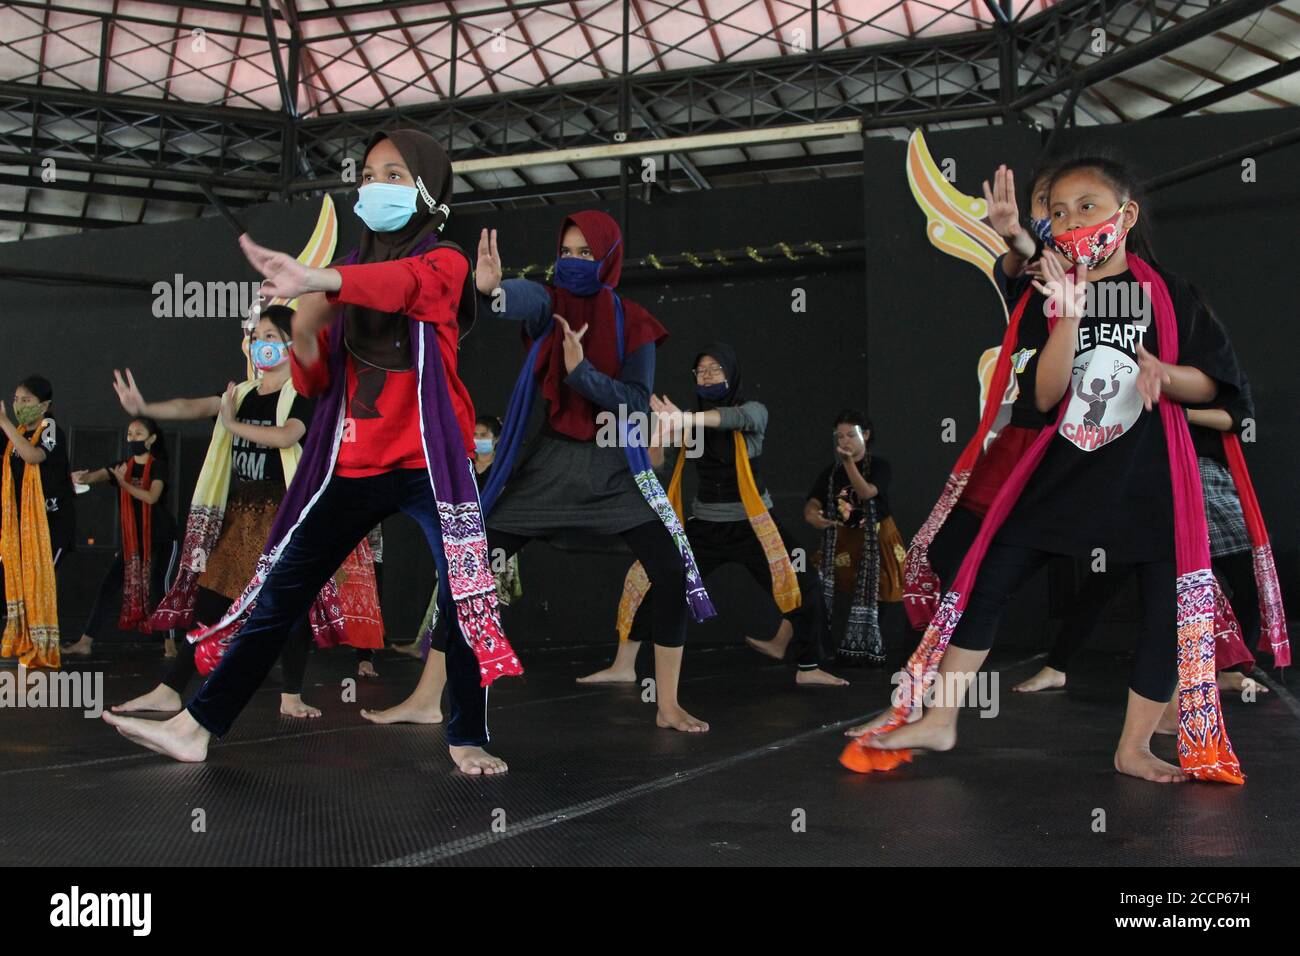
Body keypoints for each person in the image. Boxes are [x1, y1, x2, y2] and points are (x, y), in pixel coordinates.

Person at [104, 130, 518, 773]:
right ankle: (196, 724)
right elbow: (319, 380)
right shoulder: (340, 282)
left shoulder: (445, 263)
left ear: (427, 189)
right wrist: (301, 322)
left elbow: (406, 287)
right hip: (350, 468)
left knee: (466, 593)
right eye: (370, 173)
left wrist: (322, 279)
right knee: (277, 596)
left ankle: (467, 734)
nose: (374, 184)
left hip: (430, 467)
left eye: (393, 173)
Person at [844, 155, 1261, 785]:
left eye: (1087, 206)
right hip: (1057, 477)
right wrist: (1064, 310)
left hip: (1145, 485)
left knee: (1166, 613)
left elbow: (1220, 389)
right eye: (1058, 211)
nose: (1071, 219)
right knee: (985, 584)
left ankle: (1134, 746)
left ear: (1127, 215)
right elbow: (1042, 396)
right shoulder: (1051, 286)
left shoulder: (1170, 296)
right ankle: (940, 720)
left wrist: (1166, 376)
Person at [363, 213, 715, 734]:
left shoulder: (634, 322)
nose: (571, 262)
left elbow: (637, 403)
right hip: (548, 467)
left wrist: (582, 376)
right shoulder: (549, 304)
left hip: (613, 469)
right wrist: (491, 291)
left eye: (584, 253)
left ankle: (667, 704)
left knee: (669, 572)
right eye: (565, 252)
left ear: (608, 258)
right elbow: (524, 299)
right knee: (470, 568)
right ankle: (426, 697)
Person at [104, 306, 366, 719]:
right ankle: (172, 688)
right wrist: (146, 407)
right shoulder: (241, 394)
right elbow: (193, 406)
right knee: (211, 602)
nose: (260, 344)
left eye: (269, 336)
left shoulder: (304, 393)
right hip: (242, 515)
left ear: (292, 344)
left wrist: (232, 424)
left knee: (288, 604)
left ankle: (291, 694)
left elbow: (286, 436)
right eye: (256, 336)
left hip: (286, 516)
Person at [580, 344, 845, 686]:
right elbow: (657, 464)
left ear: (731, 374)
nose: (706, 376)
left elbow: (733, 418)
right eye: (700, 371)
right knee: (649, 579)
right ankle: (623, 666)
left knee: (803, 580)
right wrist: (661, 434)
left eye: (714, 370)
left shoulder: (753, 413)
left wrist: (684, 420)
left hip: (754, 523)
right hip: (705, 525)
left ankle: (809, 667)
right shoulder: (688, 423)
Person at [1014, 379, 1285, 710]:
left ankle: (1229, 668)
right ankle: (1056, 666)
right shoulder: (1145, 364)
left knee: (1249, 579)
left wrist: (1179, 414)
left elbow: (1241, 419)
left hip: (1209, 477)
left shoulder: (1217, 366)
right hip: (1155, 476)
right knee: (1106, 577)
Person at [64, 417, 179, 658]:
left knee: (162, 586)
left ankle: (170, 644)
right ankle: (85, 641)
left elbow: (150, 497)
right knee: (108, 586)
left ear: (151, 439)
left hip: (163, 538)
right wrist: (80, 478)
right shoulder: (121, 467)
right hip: (133, 541)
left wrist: (122, 483)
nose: (132, 438)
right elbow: (96, 476)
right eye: (130, 434)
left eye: (138, 433)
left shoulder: (158, 466)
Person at [800, 411, 904, 665]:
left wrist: (849, 464)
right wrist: (812, 514)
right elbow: (813, 501)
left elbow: (867, 493)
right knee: (812, 581)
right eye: (840, 436)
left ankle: (867, 647)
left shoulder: (880, 466)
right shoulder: (831, 472)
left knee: (884, 588)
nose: (844, 440)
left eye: (850, 435)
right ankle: (793, 643)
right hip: (844, 537)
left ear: (865, 435)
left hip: (877, 536)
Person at [0, 376, 73, 668]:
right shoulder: (16, 432)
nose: (19, 405)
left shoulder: (48, 428)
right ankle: (25, 640)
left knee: (39, 583)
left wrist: (4, 423)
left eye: (26, 400)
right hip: (23, 526)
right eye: (16, 399)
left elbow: (33, 456)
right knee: (18, 580)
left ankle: (42, 646)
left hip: (52, 525)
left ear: (45, 405)